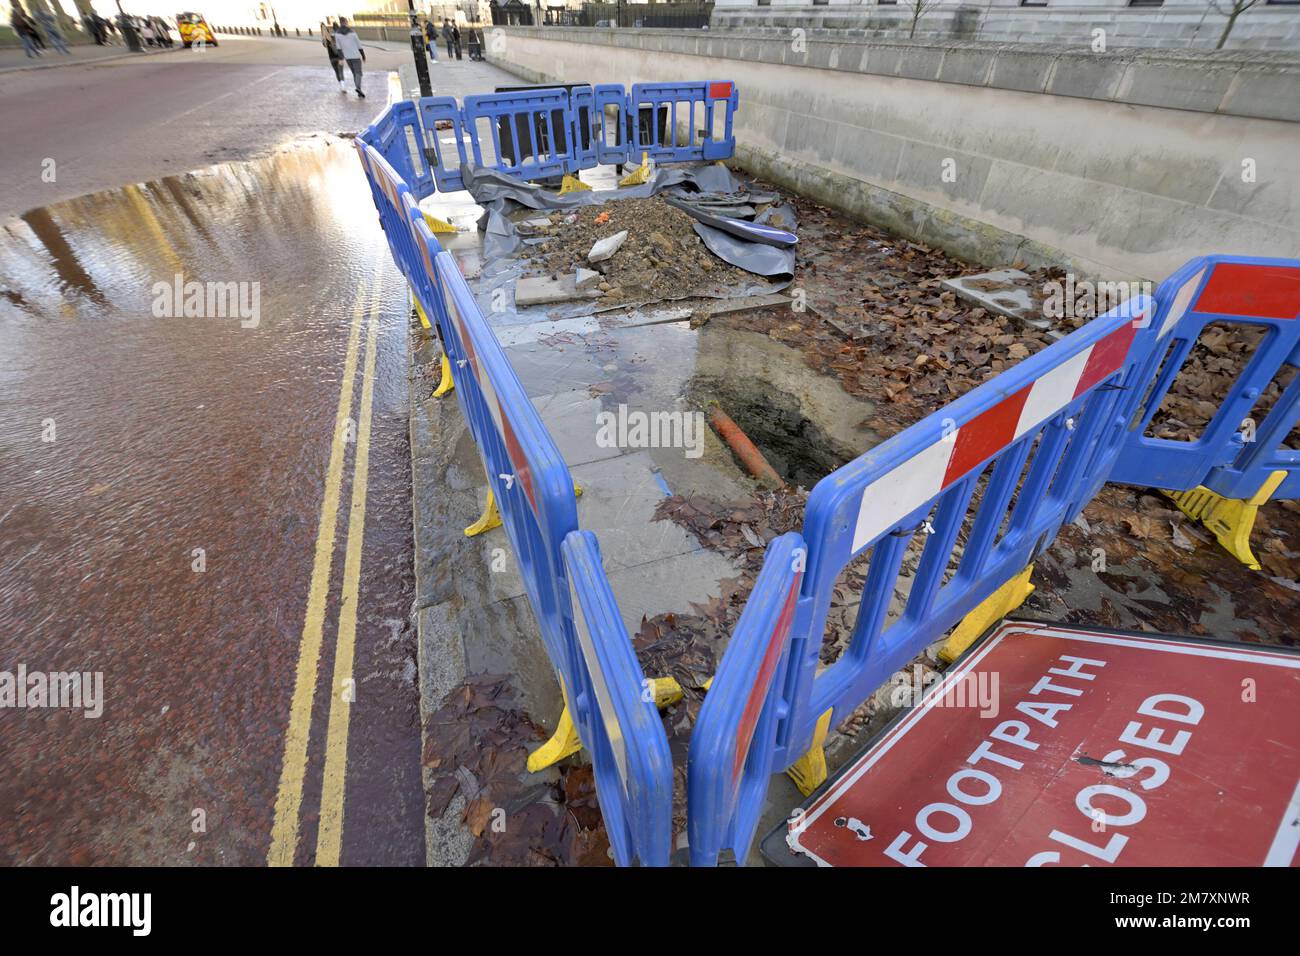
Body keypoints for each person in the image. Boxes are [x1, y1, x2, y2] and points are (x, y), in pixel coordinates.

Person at [332, 18, 365, 98]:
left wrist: (341, 57)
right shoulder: (352, 32)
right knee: (358, 73)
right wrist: (363, 55)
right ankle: (358, 88)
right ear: (346, 22)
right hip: (356, 56)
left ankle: (358, 90)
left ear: (340, 23)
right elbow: (359, 45)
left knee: (354, 73)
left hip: (347, 57)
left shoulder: (337, 34)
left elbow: (339, 48)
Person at [321, 21, 345, 93]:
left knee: (337, 72)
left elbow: (324, 45)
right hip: (339, 57)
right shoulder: (338, 36)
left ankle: (341, 86)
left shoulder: (326, 39)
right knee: (341, 72)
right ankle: (343, 86)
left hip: (331, 58)